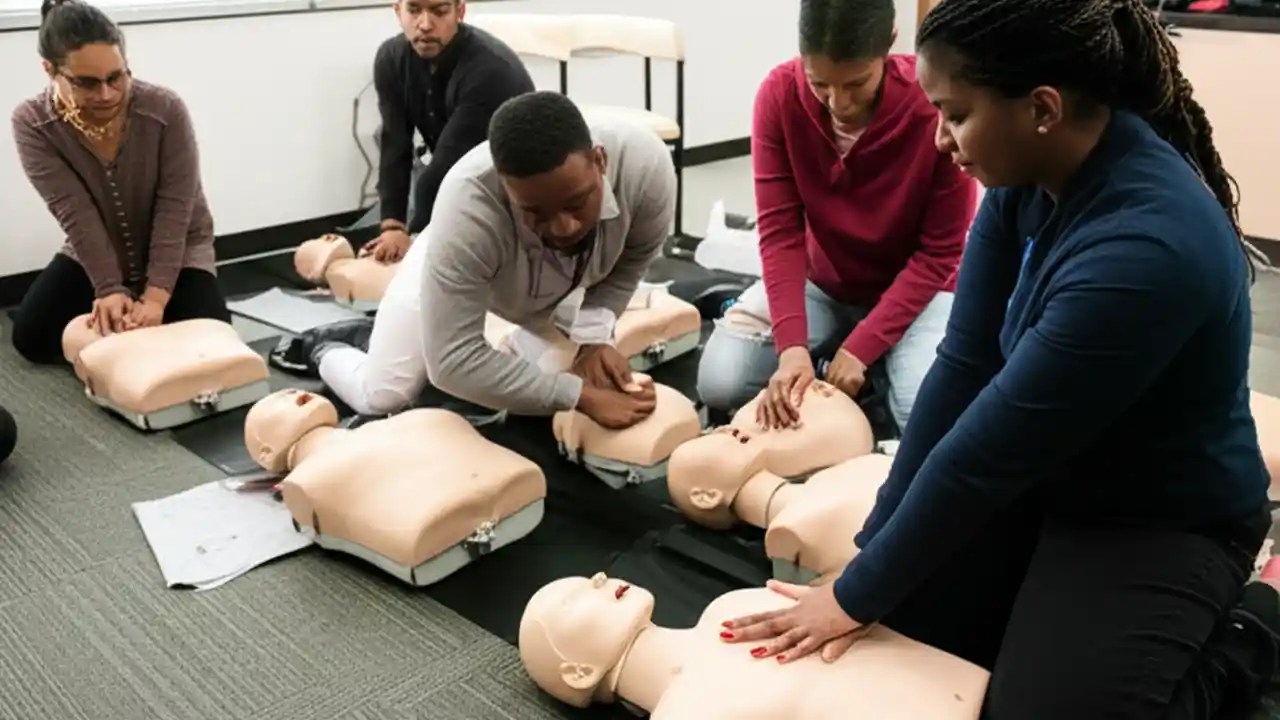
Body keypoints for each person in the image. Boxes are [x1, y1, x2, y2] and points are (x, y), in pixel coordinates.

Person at [718, 1, 1280, 717]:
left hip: (1159, 516)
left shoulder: (1148, 251)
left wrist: (854, 593)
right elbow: (963, 366)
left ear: (1042, 108)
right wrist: (874, 546)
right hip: (1054, 479)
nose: (940, 139)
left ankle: (1257, 618)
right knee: (907, 614)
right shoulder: (1030, 180)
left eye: (955, 114)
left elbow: (988, 455)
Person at [312, 91, 676, 427]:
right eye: (537, 212)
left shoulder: (646, 169)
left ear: (600, 161)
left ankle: (507, 342)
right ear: (505, 189)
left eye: (577, 202)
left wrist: (596, 338)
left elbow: (634, 258)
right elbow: (452, 362)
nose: (565, 227)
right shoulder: (467, 207)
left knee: (553, 368)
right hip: (476, 260)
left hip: (556, 281)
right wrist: (578, 396)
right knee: (382, 393)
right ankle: (323, 345)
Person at [696, 0, 977, 433]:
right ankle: (845, 359)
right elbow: (780, 233)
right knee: (721, 380)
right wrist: (792, 349)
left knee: (928, 416)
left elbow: (940, 253)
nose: (838, 102)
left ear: (888, 46)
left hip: (921, 293)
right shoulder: (780, 95)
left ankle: (877, 364)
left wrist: (863, 347)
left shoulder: (931, 107)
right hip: (825, 283)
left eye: (856, 83)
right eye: (820, 83)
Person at [10, 0, 229, 365]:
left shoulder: (165, 109)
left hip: (177, 250)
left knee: (214, 343)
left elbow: (176, 207)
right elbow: (75, 213)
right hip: (96, 251)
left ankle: (134, 334)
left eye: (116, 77)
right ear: (50, 70)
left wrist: (156, 296)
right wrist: (109, 288)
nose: (107, 94)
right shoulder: (32, 124)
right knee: (31, 337)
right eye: (87, 83)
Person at [361, 0, 534, 264]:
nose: (426, 25)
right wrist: (393, 226)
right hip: (461, 181)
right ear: (398, 11)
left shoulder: (490, 69)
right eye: (414, 10)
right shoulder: (391, 59)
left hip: (517, 191)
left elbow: (447, 166)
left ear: (459, 12)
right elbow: (395, 143)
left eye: (439, 11)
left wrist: (415, 239)